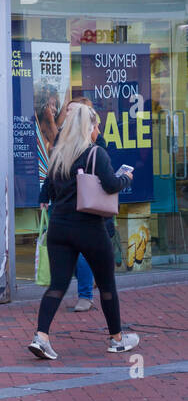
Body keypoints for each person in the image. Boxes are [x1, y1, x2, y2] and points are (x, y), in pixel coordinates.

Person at [29, 103, 140, 360]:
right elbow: (111, 185)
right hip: (89, 227)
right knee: (107, 284)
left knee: (57, 285)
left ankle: (41, 337)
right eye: (95, 125)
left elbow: (50, 190)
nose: (97, 129)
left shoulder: (58, 154)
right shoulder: (95, 154)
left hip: (59, 227)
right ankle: (117, 339)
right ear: (88, 127)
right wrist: (127, 178)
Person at [59, 98, 112, 313]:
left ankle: (86, 295)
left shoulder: (97, 144)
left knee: (83, 253)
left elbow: (107, 180)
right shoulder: (62, 141)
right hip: (69, 206)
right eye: (67, 110)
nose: (67, 113)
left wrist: (124, 180)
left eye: (72, 110)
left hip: (89, 208)